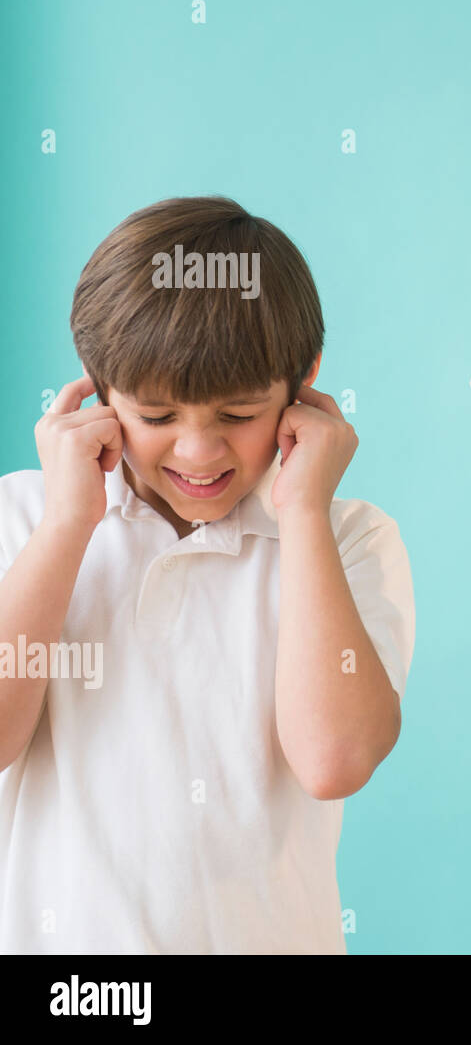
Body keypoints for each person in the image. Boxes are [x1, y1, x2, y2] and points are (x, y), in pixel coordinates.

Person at [0, 196, 415, 952]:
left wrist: (303, 514)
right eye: (157, 417)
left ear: (303, 385)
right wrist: (67, 525)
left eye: (238, 414)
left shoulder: (347, 538)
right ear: (96, 389)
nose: (197, 451)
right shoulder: (24, 518)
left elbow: (334, 760)